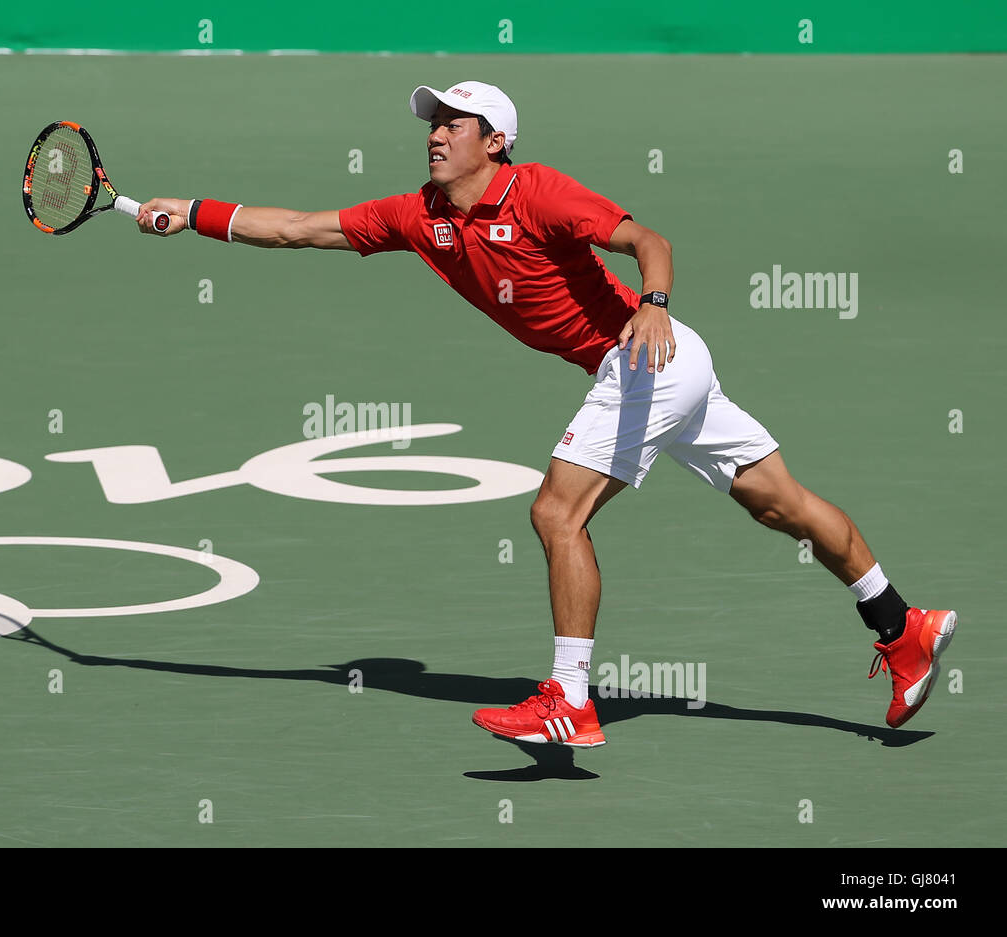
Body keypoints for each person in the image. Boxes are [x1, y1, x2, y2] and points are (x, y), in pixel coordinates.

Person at [134, 80, 957, 747]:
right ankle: (901, 622)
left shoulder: (542, 193)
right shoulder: (418, 215)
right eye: (434, 121)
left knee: (555, 510)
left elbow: (649, 239)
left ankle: (569, 698)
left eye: (456, 123)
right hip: (671, 366)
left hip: (646, 356)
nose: (437, 132)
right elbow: (297, 228)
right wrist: (193, 210)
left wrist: (656, 303)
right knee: (778, 501)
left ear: (495, 141)